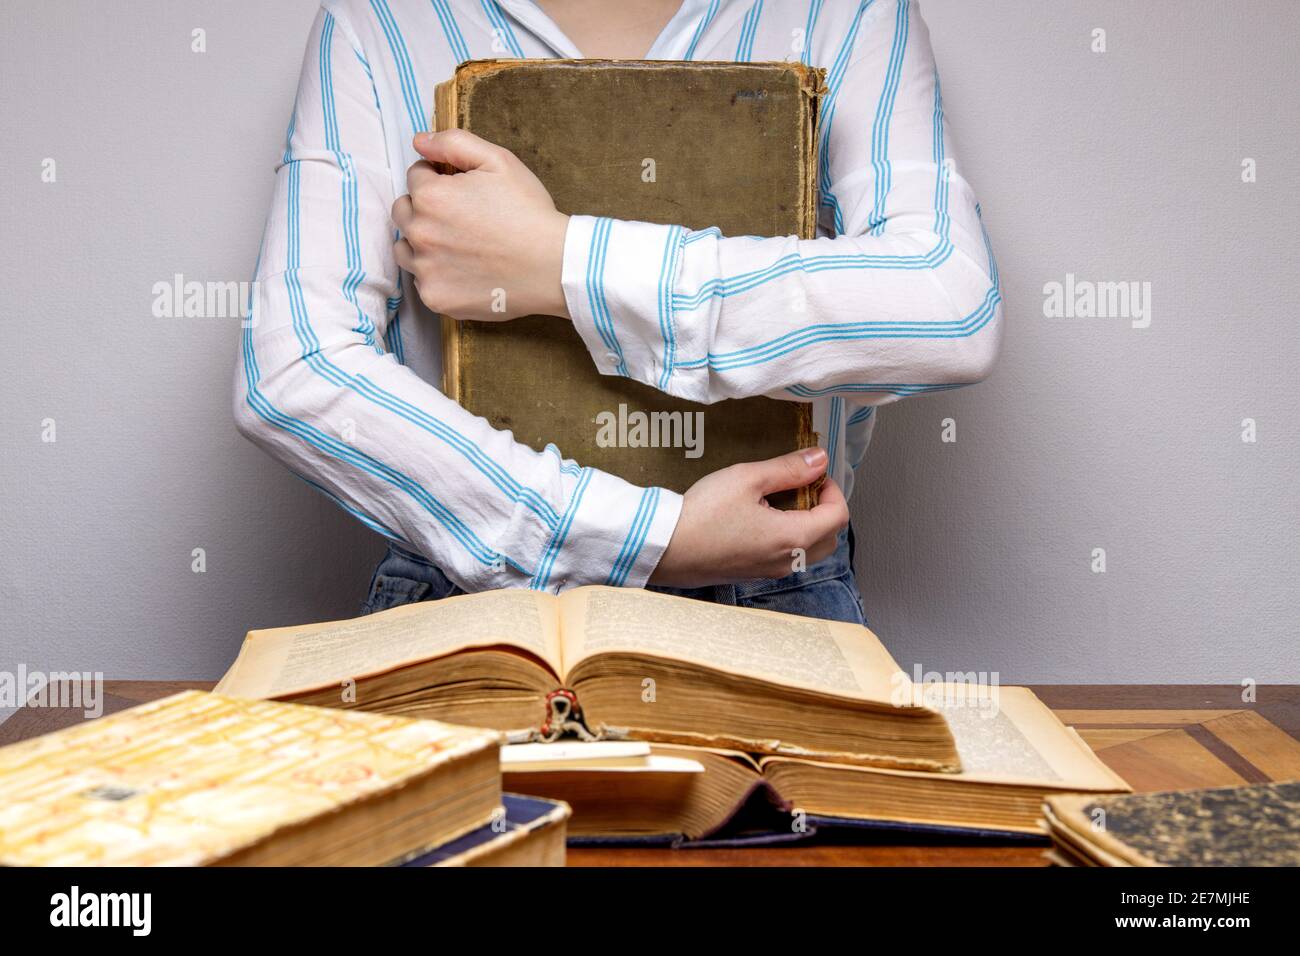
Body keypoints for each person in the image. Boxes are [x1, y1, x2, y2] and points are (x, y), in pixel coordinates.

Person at [234, 0, 1002, 627]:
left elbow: (947, 305)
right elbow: (295, 368)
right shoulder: (379, 20)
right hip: (468, 599)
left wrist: (556, 261)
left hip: (778, 589)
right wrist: (650, 541)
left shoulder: (847, 11)